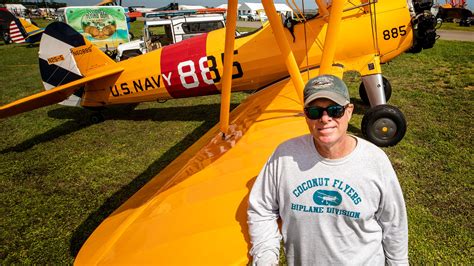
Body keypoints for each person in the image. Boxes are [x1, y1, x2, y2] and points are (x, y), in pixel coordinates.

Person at [247, 74, 408, 265]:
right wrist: (265, 258)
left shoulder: (376, 161)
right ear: (305, 115)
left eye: (335, 110)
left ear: (349, 111)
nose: (325, 119)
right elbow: (261, 209)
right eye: (315, 112)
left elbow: (394, 225)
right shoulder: (284, 156)